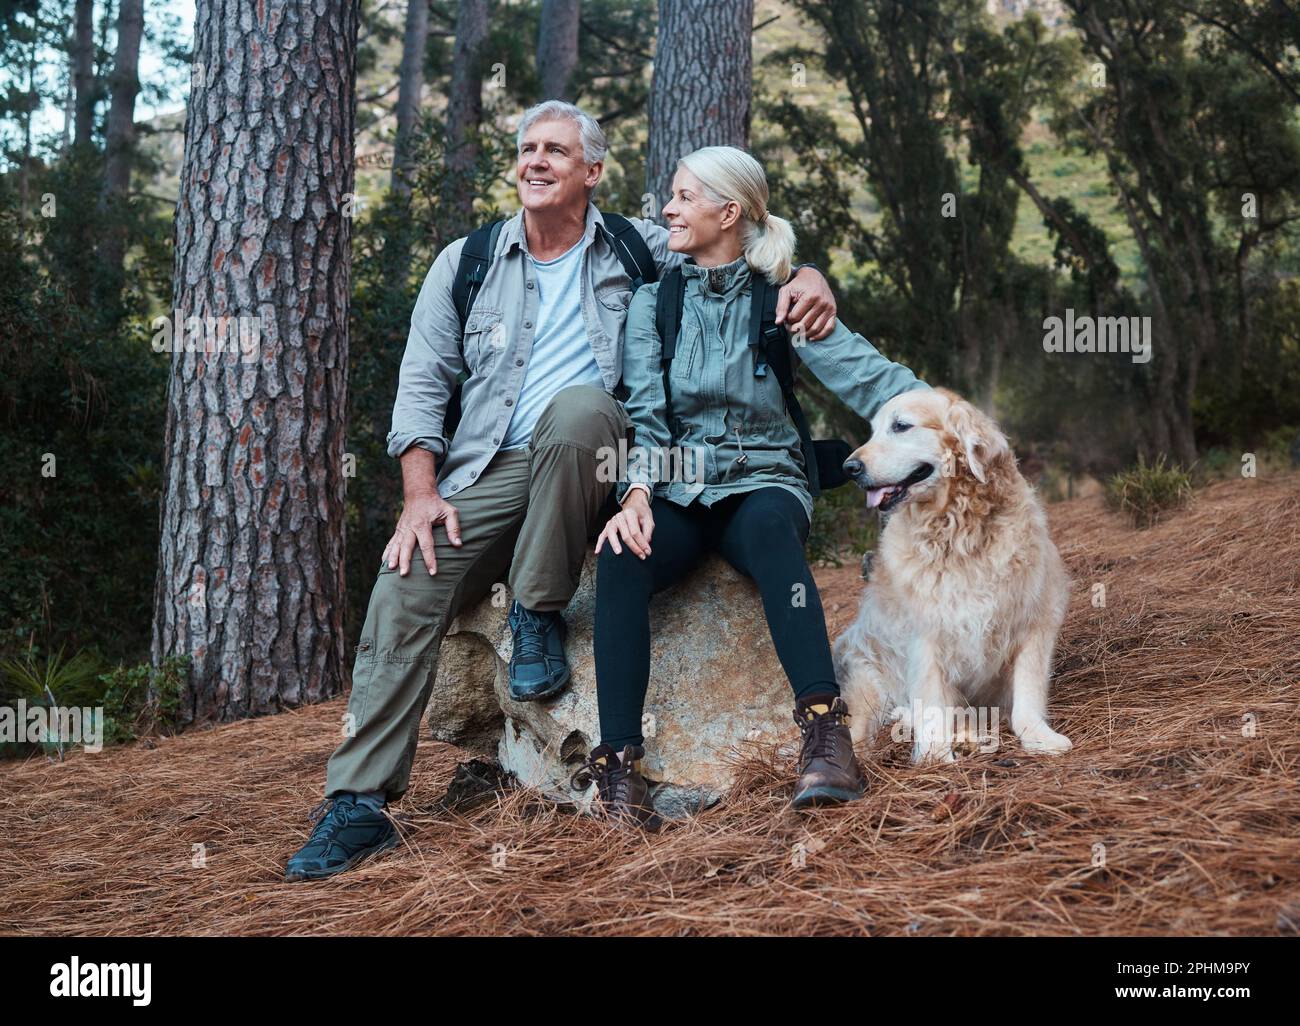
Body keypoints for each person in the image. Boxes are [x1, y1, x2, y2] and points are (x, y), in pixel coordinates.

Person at [284, 103, 840, 880]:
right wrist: (420, 494)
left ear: (592, 172)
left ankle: (537, 608)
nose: (536, 162)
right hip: (489, 467)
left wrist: (811, 276)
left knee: (579, 410)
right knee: (408, 582)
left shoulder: (641, 247)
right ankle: (358, 803)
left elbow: (740, 250)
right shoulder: (467, 261)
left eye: (556, 150)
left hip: (598, 461)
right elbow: (420, 388)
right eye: (527, 149)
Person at [576, 146, 929, 826]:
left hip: (766, 474)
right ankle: (617, 768)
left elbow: (869, 377)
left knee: (770, 531)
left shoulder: (783, 296)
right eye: (670, 197)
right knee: (622, 553)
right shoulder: (656, 303)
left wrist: (948, 419)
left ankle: (825, 734)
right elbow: (646, 413)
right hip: (679, 483)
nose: (668, 209)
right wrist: (637, 495)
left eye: (683, 197)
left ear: (728, 212)